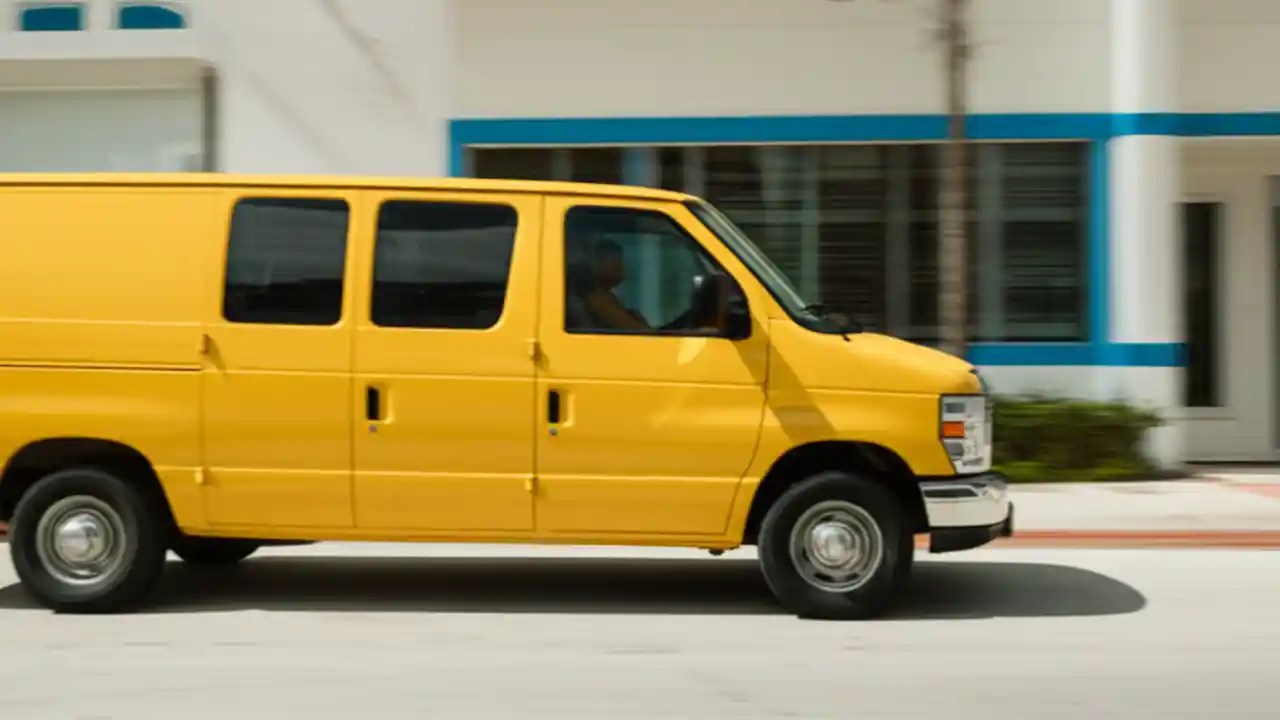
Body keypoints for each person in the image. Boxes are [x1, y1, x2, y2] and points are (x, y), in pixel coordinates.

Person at [578, 238, 651, 331]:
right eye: (615, 261)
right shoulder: (597, 299)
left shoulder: (607, 295)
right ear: (596, 262)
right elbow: (636, 329)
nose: (621, 267)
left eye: (620, 261)